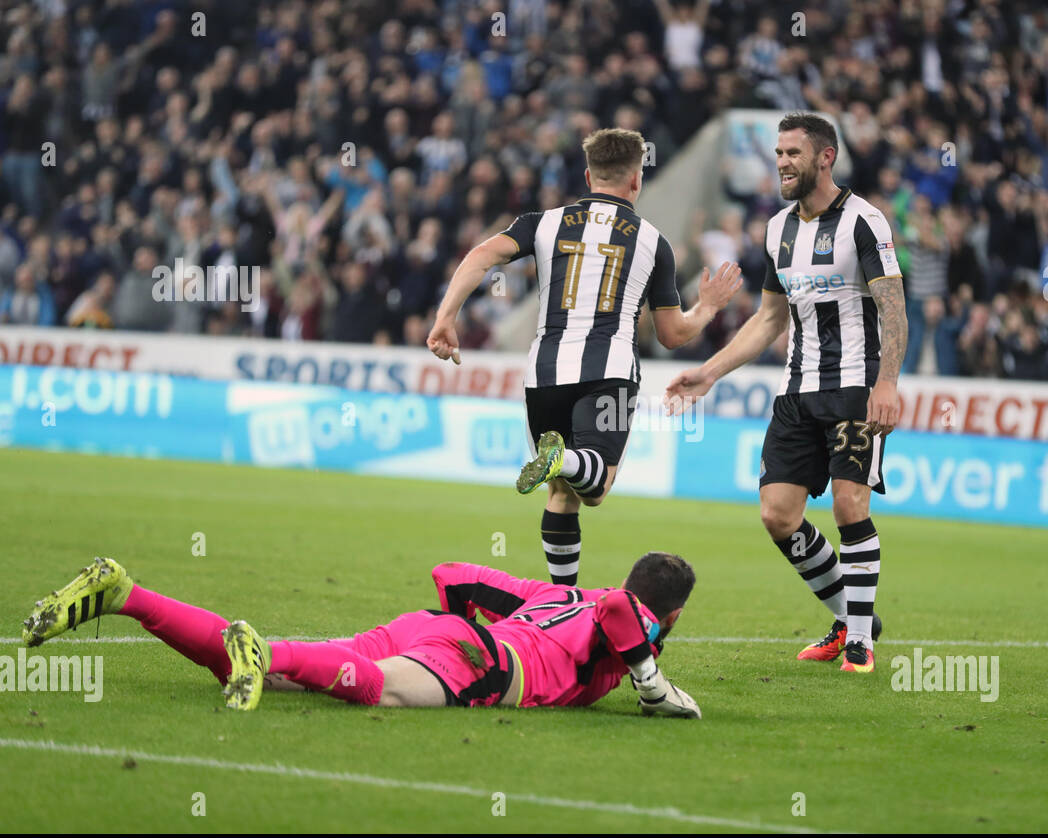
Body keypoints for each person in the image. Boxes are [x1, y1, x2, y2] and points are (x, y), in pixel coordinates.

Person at [426, 127, 741, 587]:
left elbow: (480, 256)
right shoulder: (653, 242)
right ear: (636, 180)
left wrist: (445, 318)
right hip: (608, 371)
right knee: (593, 486)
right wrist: (708, 307)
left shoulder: (543, 222)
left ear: (589, 174)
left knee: (560, 495)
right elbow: (673, 335)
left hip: (544, 372)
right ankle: (566, 460)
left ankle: (562, 601)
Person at [665, 112, 907, 674]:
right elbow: (770, 320)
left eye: (792, 153)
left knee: (851, 506)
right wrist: (710, 372)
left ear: (826, 157)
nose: (781, 163)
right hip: (797, 390)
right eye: (778, 153)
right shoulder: (778, 229)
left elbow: (894, 309)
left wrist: (887, 382)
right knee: (778, 515)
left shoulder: (865, 222)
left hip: (854, 387)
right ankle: (852, 617)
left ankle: (860, 646)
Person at [21, 554, 701, 718]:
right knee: (382, 694)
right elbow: (617, 609)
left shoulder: (554, 593)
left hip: (436, 628)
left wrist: (476, 626)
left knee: (280, 673)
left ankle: (125, 594)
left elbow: (451, 574)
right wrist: (654, 685)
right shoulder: (635, 619)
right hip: (481, 663)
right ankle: (266, 650)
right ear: (668, 617)